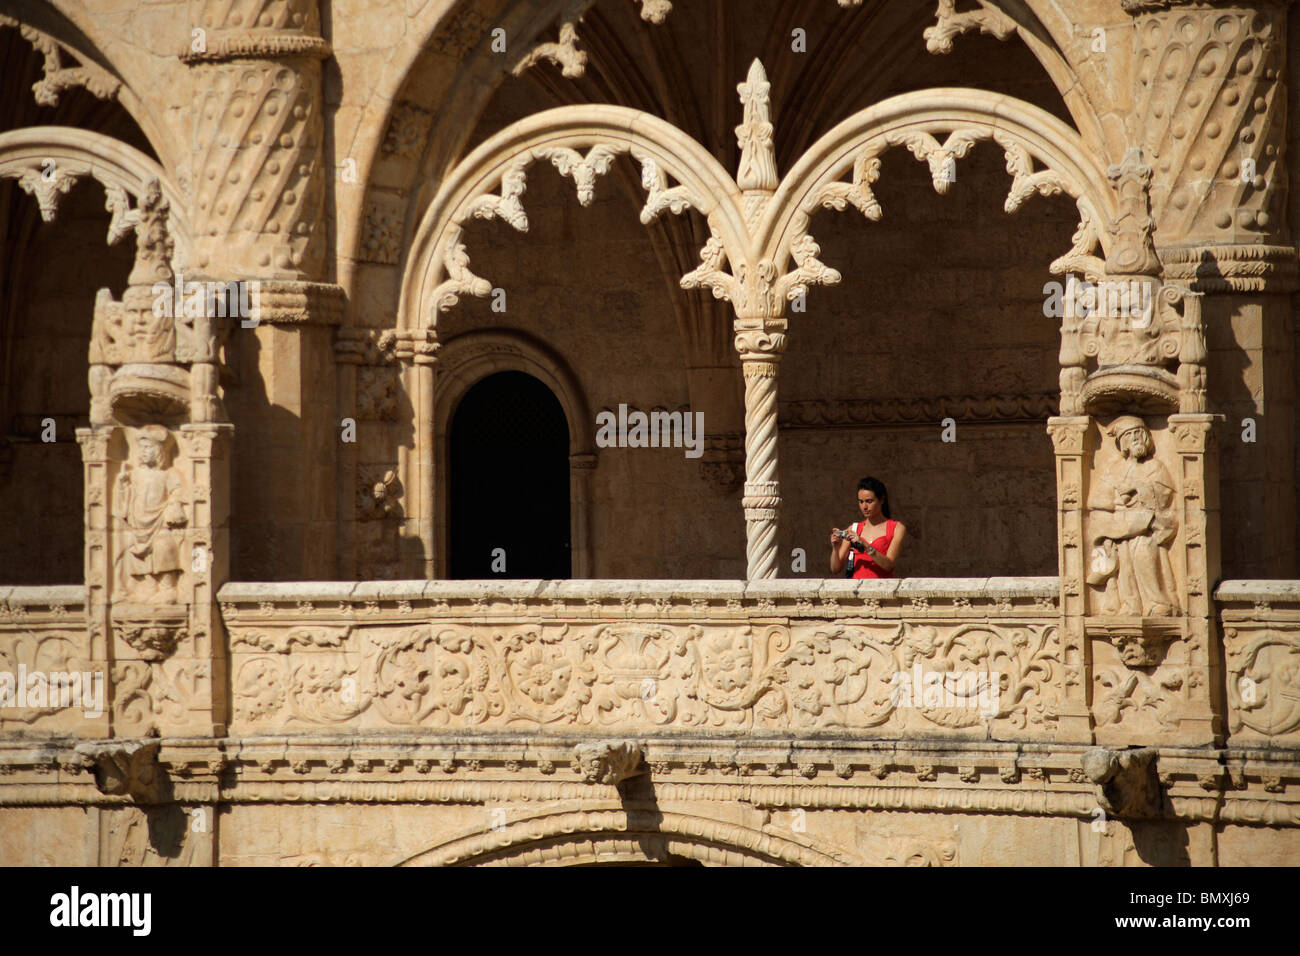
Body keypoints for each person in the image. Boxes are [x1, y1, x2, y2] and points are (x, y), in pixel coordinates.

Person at [829, 477, 906, 578]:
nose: (864, 507)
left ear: (882, 500)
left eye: (869, 501)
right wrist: (835, 548)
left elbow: (888, 565)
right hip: (857, 590)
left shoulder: (896, 528)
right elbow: (835, 569)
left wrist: (865, 545)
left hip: (882, 589)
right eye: (861, 502)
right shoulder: (854, 528)